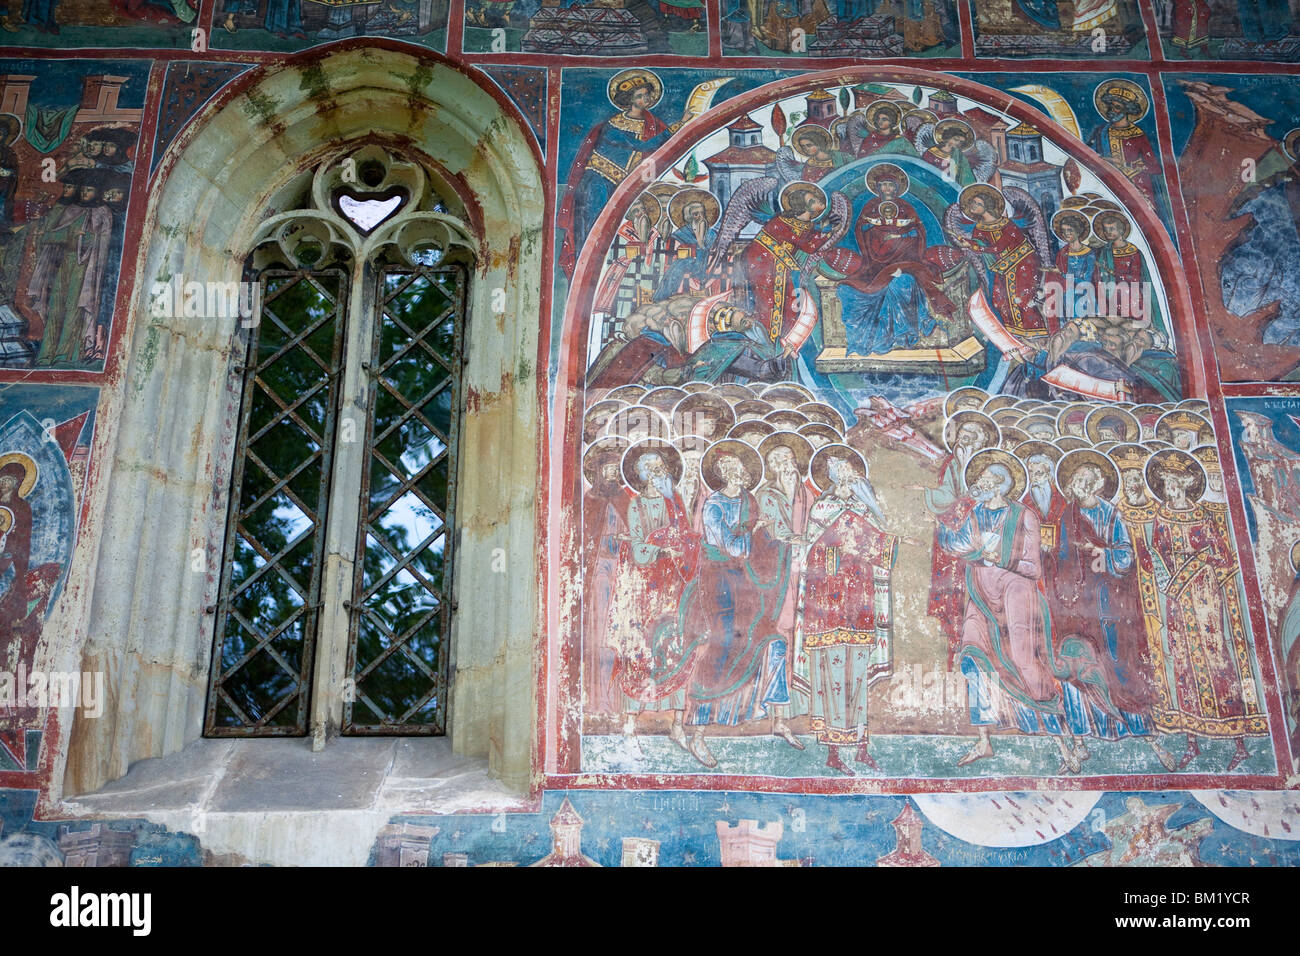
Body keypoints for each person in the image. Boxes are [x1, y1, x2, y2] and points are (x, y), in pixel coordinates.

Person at [937, 452, 1080, 769]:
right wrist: (939, 525)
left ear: (1000, 483)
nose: (980, 482)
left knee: (1025, 660)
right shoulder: (974, 514)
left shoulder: (1023, 515)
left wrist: (997, 554)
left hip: (1016, 592)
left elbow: (1033, 566)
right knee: (973, 658)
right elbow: (958, 544)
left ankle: (1061, 742)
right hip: (981, 592)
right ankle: (984, 741)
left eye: (986, 478)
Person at [1138, 450, 1269, 771]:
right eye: (1165, 484)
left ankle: (1238, 741)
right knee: (1182, 661)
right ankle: (1192, 740)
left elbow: (1226, 558)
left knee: (1216, 658)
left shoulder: (1204, 518)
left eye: (1173, 483)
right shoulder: (1160, 519)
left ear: (1185, 484)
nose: (1169, 489)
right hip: (1178, 599)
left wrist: (1203, 562)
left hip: (1206, 596)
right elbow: (1155, 558)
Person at [1050, 452, 1174, 770]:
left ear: (1096, 484)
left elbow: (1125, 556)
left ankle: (1144, 734)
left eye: (1082, 480)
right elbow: (1061, 556)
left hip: (1109, 601)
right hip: (1076, 602)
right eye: (1074, 481)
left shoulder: (1110, 514)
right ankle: (1084, 737)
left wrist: (1100, 552)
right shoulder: (1068, 515)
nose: (1077, 486)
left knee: (1119, 665)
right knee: (1076, 662)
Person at [678, 444, 798, 767]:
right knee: (721, 643)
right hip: (718, 579)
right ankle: (697, 732)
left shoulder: (751, 502)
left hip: (745, 581)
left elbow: (763, 542)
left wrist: (775, 540)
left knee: (769, 638)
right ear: (722, 473)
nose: (736, 472)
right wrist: (756, 536)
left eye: (740, 467)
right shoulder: (714, 506)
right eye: (729, 467)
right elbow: (732, 545)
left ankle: (769, 718)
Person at [801, 448, 897, 774]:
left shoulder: (863, 508)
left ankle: (860, 746)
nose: (843, 475)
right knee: (831, 677)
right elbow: (810, 551)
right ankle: (832, 751)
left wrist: (885, 543)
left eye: (847, 469)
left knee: (857, 676)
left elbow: (880, 552)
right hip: (827, 605)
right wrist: (836, 544)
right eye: (837, 470)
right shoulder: (823, 508)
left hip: (859, 604)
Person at [609, 448, 700, 750]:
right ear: (643, 474)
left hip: (673, 587)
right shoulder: (636, 505)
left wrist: (678, 540)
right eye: (654, 468)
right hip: (645, 588)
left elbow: (686, 537)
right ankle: (631, 721)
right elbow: (637, 548)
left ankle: (677, 724)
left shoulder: (675, 502)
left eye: (662, 467)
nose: (660, 473)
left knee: (674, 648)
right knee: (642, 652)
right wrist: (661, 549)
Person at [559, 70, 679, 277]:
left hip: (618, 185)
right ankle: (584, 274)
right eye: (639, 96)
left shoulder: (651, 124)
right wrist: (678, 126)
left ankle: (601, 274)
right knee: (593, 231)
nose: (645, 99)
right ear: (629, 100)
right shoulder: (612, 126)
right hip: (596, 182)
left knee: (612, 233)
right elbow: (642, 146)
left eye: (646, 94)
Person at [838, 164, 953, 356]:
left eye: (891, 185)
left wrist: (898, 237)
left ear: (897, 188)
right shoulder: (871, 207)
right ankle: (878, 336)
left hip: (905, 262)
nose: (887, 189)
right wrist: (876, 231)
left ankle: (904, 334)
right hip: (874, 265)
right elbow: (860, 229)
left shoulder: (906, 207)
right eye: (883, 185)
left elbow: (919, 231)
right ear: (877, 188)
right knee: (847, 290)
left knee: (902, 283)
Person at [24, 168, 113, 367]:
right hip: (64, 262)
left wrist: (87, 237)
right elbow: (50, 236)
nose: (84, 194)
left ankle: (67, 354)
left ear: (97, 192)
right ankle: (47, 354)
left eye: (89, 190)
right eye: (83, 190)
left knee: (75, 308)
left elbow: (103, 244)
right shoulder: (71, 210)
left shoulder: (103, 213)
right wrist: (71, 236)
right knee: (56, 307)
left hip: (86, 267)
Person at [738, 182, 832, 349]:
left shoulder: (804, 224)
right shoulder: (781, 223)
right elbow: (808, 246)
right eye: (813, 200)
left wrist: (822, 232)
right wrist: (825, 233)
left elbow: (808, 240)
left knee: (788, 303)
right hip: (762, 264)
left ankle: (781, 341)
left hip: (778, 266)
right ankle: (767, 343)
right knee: (769, 303)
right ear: (804, 206)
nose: (819, 202)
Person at [951, 183, 1050, 338]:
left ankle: (1036, 335)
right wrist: (968, 244)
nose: (973, 205)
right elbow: (980, 245)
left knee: (1022, 299)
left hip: (1023, 262)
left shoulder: (1006, 224)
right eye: (972, 203)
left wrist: (976, 247)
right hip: (1003, 267)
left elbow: (999, 247)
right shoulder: (979, 227)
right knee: (1000, 300)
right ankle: (1013, 334)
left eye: (978, 203)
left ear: (987, 206)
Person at [1088, 81, 1160, 210]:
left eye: (1117, 107)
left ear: (1127, 110)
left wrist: (1125, 163)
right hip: (1108, 184)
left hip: (1136, 186)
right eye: (1110, 106)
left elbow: (1154, 168)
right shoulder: (1101, 131)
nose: (1111, 111)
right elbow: (1088, 154)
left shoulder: (1138, 135)